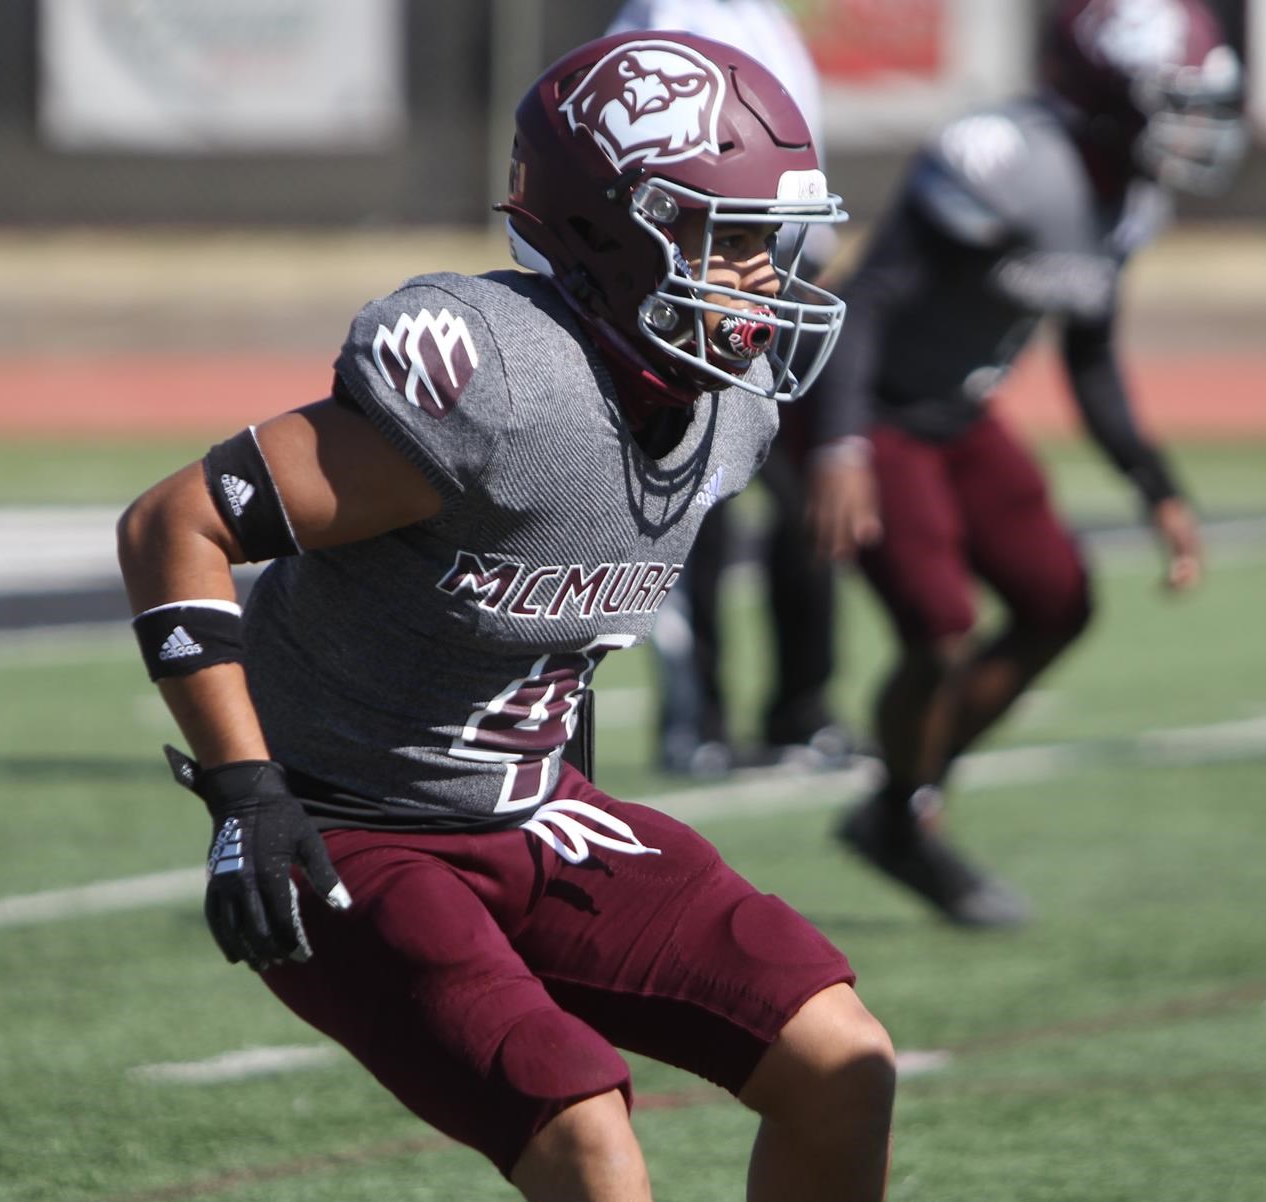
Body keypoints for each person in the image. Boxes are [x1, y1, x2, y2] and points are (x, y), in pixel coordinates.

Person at [114, 31, 895, 1200]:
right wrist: (246, 795)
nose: (759, 279)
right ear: (604, 229)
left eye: (764, 242)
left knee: (844, 1060)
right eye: (722, 240)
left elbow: (554, 623)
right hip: (353, 828)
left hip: (532, 809)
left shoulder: (729, 411)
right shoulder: (495, 380)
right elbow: (173, 522)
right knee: (584, 1132)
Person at [802, 0, 1246, 926]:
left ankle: (901, 808)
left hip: (960, 412)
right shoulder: (1004, 158)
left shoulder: (1129, 195)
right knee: (941, 630)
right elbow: (865, 307)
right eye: (1173, 101)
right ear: (1106, 96)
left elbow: (1090, 354)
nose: (1193, 125)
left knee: (1059, 599)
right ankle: (905, 813)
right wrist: (839, 447)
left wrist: (1154, 483)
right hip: (870, 406)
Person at [605, 0, 879, 777]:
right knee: (695, 497)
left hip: (782, 271)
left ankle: (804, 710)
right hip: (696, 283)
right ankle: (697, 721)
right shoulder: (657, 19)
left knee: (801, 499)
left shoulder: (767, 20)